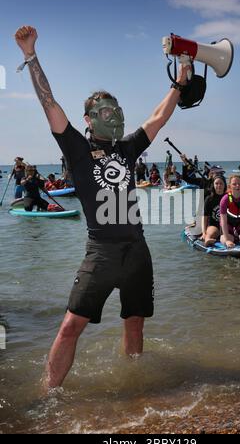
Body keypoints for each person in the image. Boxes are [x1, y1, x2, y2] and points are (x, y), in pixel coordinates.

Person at [15, 24, 190, 389]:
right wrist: (30, 56)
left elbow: (158, 118)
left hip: (137, 250)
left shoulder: (126, 148)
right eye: (103, 110)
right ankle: (49, 396)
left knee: (135, 320)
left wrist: (180, 82)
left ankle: (137, 388)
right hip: (102, 252)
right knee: (69, 326)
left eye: (114, 109)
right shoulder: (77, 148)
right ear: (89, 118)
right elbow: (50, 104)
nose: (111, 115)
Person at [202, 175, 227, 247]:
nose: (219, 185)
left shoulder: (228, 197)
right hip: (213, 224)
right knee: (211, 232)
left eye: (221, 183)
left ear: (224, 185)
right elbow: (205, 217)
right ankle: (208, 240)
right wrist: (204, 232)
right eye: (216, 183)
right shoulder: (209, 199)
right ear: (213, 185)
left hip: (227, 224)